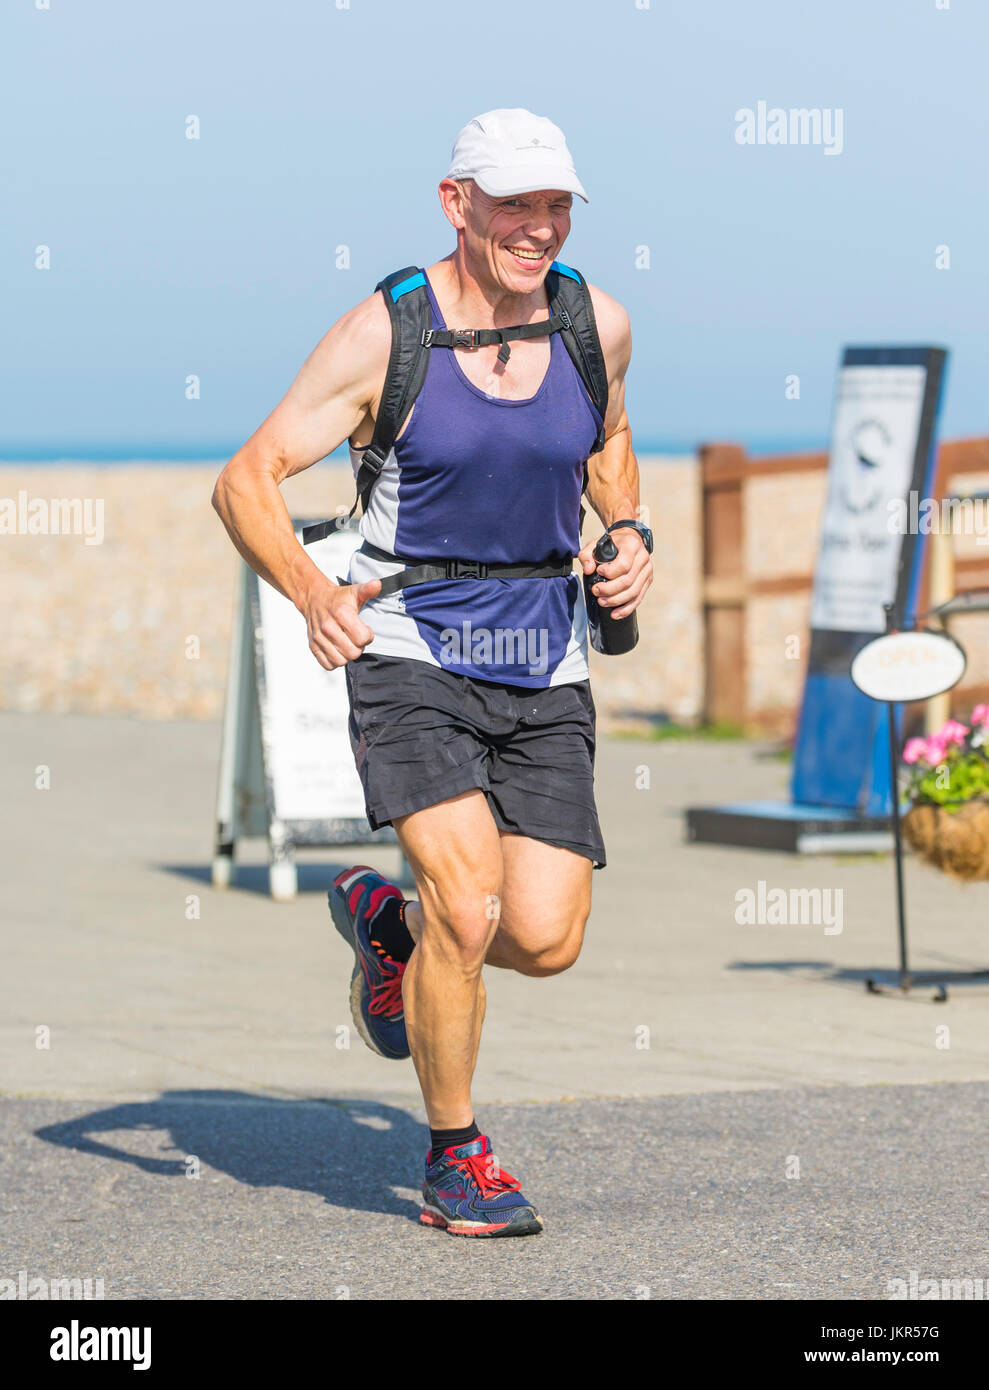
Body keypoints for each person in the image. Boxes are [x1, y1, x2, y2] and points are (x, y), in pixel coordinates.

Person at [212, 108, 652, 1238]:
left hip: (542, 655)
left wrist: (629, 532)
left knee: (545, 934)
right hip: (409, 646)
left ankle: (390, 935)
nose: (538, 227)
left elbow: (606, 443)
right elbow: (246, 478)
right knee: (470, 902)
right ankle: (455, 1153)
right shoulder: (385, 333)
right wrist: (314, 595)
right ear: (456, 203)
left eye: (555, 205)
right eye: (515, 205)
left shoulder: (593, 322)